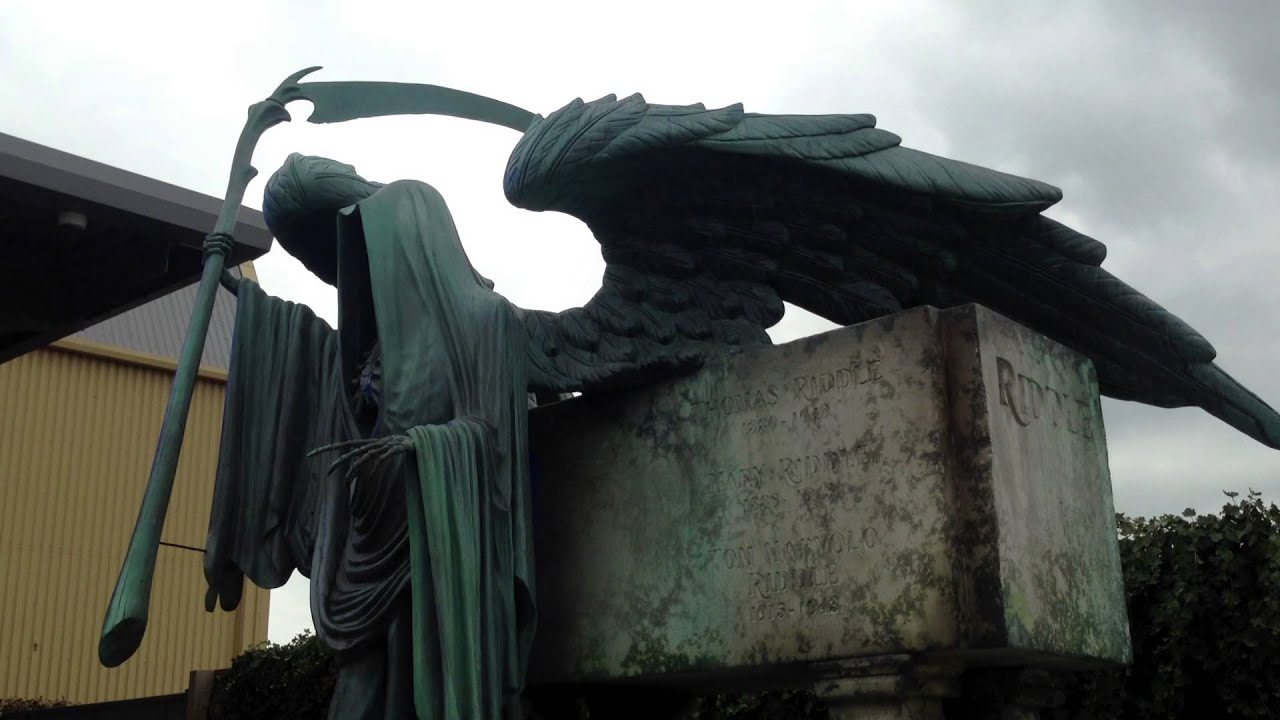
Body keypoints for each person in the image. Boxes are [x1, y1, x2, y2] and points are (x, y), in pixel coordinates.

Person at [203, 155, 536, 719]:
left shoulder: (487, 322)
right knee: (359, 672)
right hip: (367, 528)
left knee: (416, 662)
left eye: (375, 246)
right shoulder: (367, 344)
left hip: (436, 528)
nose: (364, 265)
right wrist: (238, 296)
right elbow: (307, 360)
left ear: (414, 243)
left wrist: (421, 448)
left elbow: (493, 436)